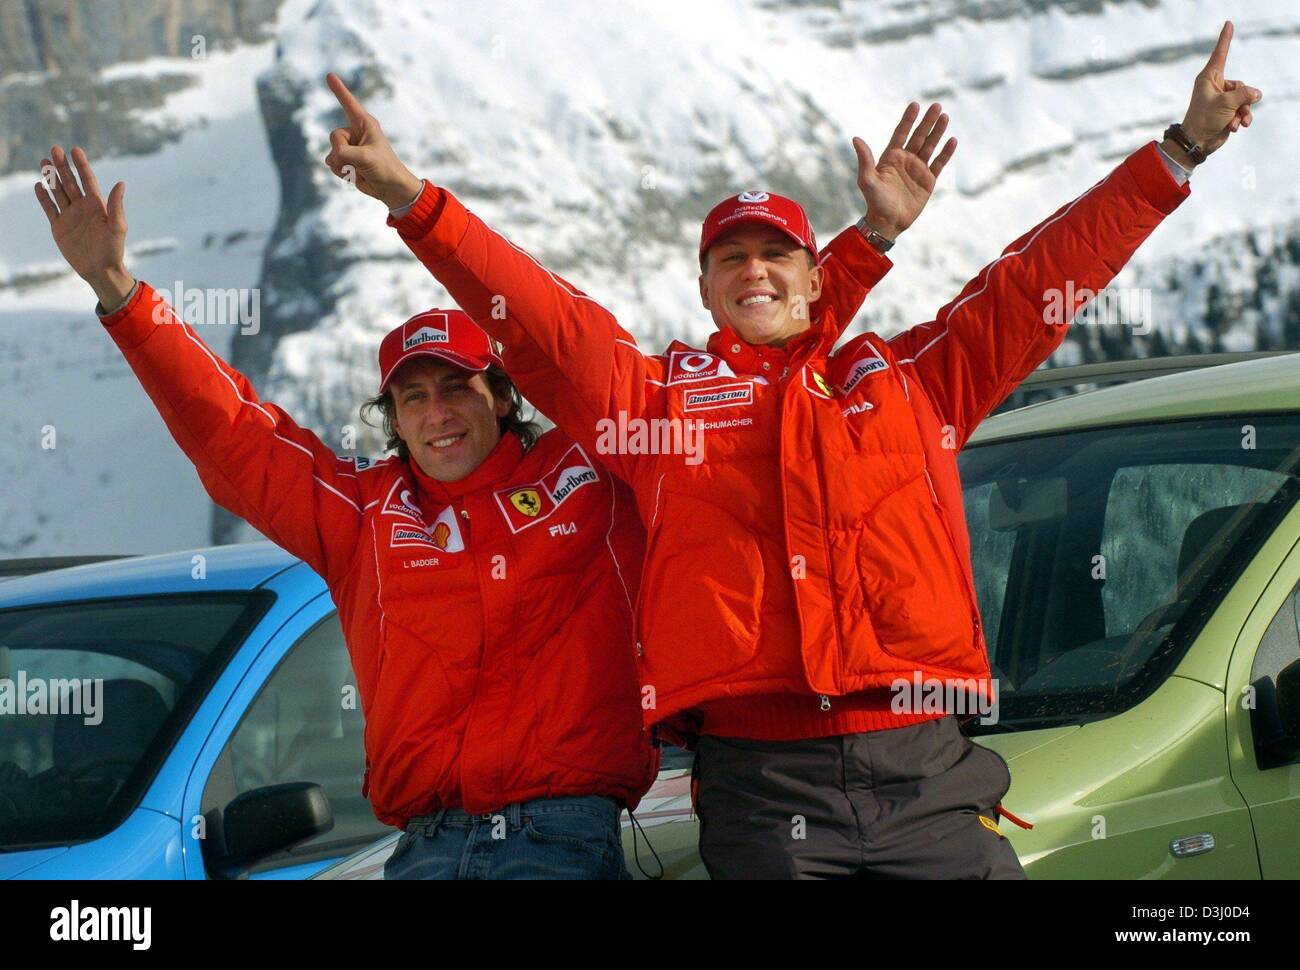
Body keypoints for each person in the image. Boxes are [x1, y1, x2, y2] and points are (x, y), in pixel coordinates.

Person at [323, 20, 1261, 880]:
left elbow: (1039, 278)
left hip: (927, 772)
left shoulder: (912, 381)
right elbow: (537, 318)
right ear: (704, 288)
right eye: (730, 258)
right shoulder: (654, 410)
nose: (753, 270)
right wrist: (412, 198)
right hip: (764, 795)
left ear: (820, 277)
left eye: (776, 254)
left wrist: (1176, 153)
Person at [32, 89, 892, 877]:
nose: (439, 412)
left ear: (502, 397)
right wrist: (121, 293)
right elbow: (236, 438)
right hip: (420, 848)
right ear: (393, 418)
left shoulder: (598, 469)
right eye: (415, 397)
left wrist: (859, 252)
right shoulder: (363, 515)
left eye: (458, 387)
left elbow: (758, 379)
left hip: (563, 837)